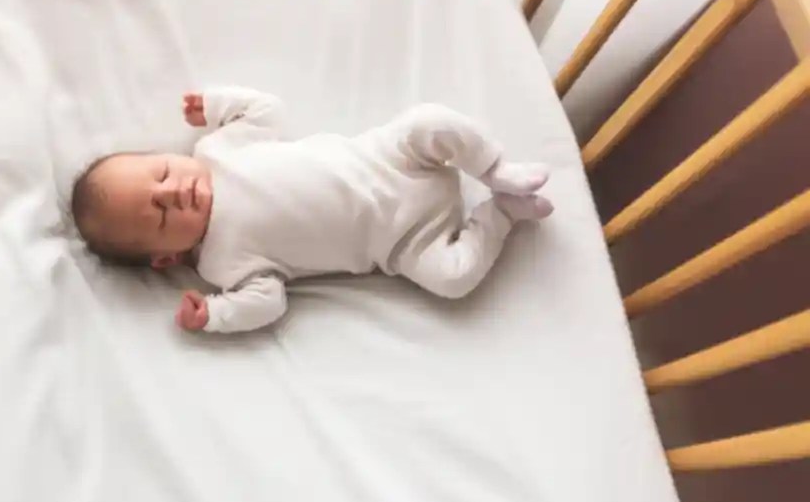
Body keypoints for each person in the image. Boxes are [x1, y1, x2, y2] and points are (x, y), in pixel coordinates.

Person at [71, 87, 552, 333]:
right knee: (452, 279)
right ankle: (502, 214)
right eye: (160, 215)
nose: (173, 192)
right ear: (166, 258)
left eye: (161, 173)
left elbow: (267, 111)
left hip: (389, 157)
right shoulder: (221, 265)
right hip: (403, 241)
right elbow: (269, 303)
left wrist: (218, 105)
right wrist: (216, 316)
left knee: (430, 120)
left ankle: (495, 169)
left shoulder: (217, 149)